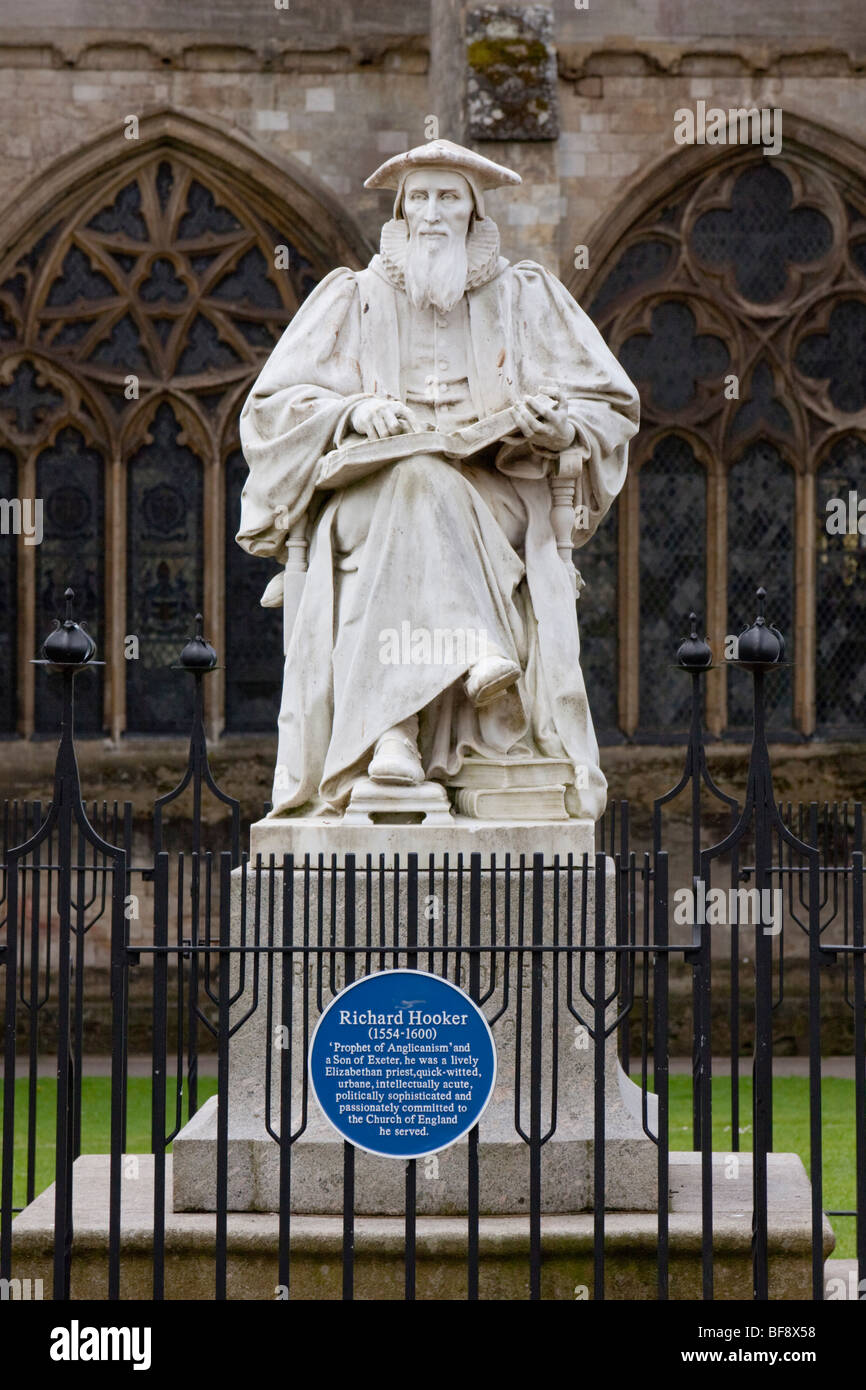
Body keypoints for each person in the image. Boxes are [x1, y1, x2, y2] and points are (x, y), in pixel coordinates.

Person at [236, 139, 639, 820]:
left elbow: (610, 403)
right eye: (418, 197)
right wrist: (351, 413)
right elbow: (270, 410)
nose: (431, 212)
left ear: (474, 214)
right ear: (400, 213)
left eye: (448, 197)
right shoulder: (353, 297)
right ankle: (474, 653)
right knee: (418, 477)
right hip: (363, 500)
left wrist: (558, 425)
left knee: (427, 481)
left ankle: (396, 735)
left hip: (495, 501)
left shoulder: (525, 296)